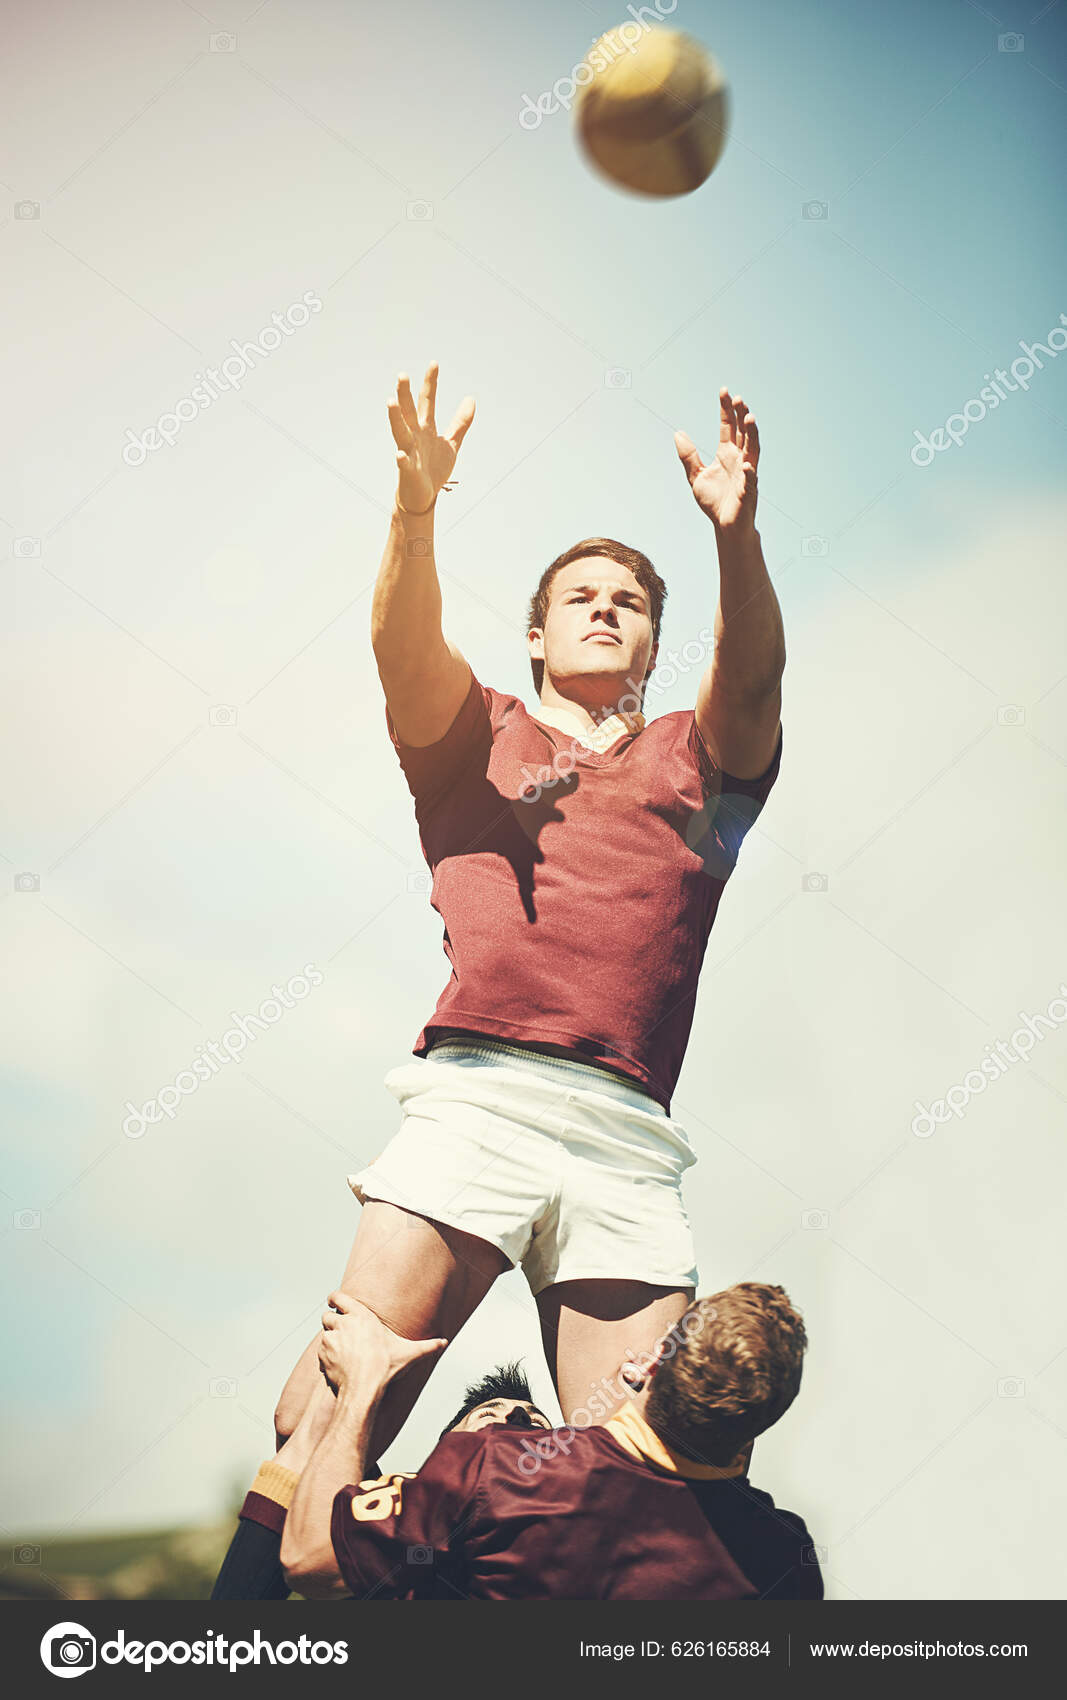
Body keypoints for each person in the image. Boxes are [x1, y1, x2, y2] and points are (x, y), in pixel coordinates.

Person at [219, 358, 786, 1595]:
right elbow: (396, 641)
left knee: (650, 1478)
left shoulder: (699, 765)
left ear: (651, 636)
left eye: (630, 600)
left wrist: (734, 539)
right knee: (319, 1412)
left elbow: (750, 680)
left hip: (629, 1139)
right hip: (477, 1098)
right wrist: (416, 509)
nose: (604, 609)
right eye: (579, 595)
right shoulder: (477, 734)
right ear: (534, 632)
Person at [282, 1282, 822, 1602]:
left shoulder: (497, 1470)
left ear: (650, 1364)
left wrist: (360, 1387)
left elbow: (309, 1560)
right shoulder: (783, 1558)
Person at [210, 1362, 550, 1600]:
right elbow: (301, 1425)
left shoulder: (575, 1516)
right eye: (488, 1414)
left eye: (536, 1422)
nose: (515, 1416)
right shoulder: (396, 1500)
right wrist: (370, 1312)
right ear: (442, 1451)